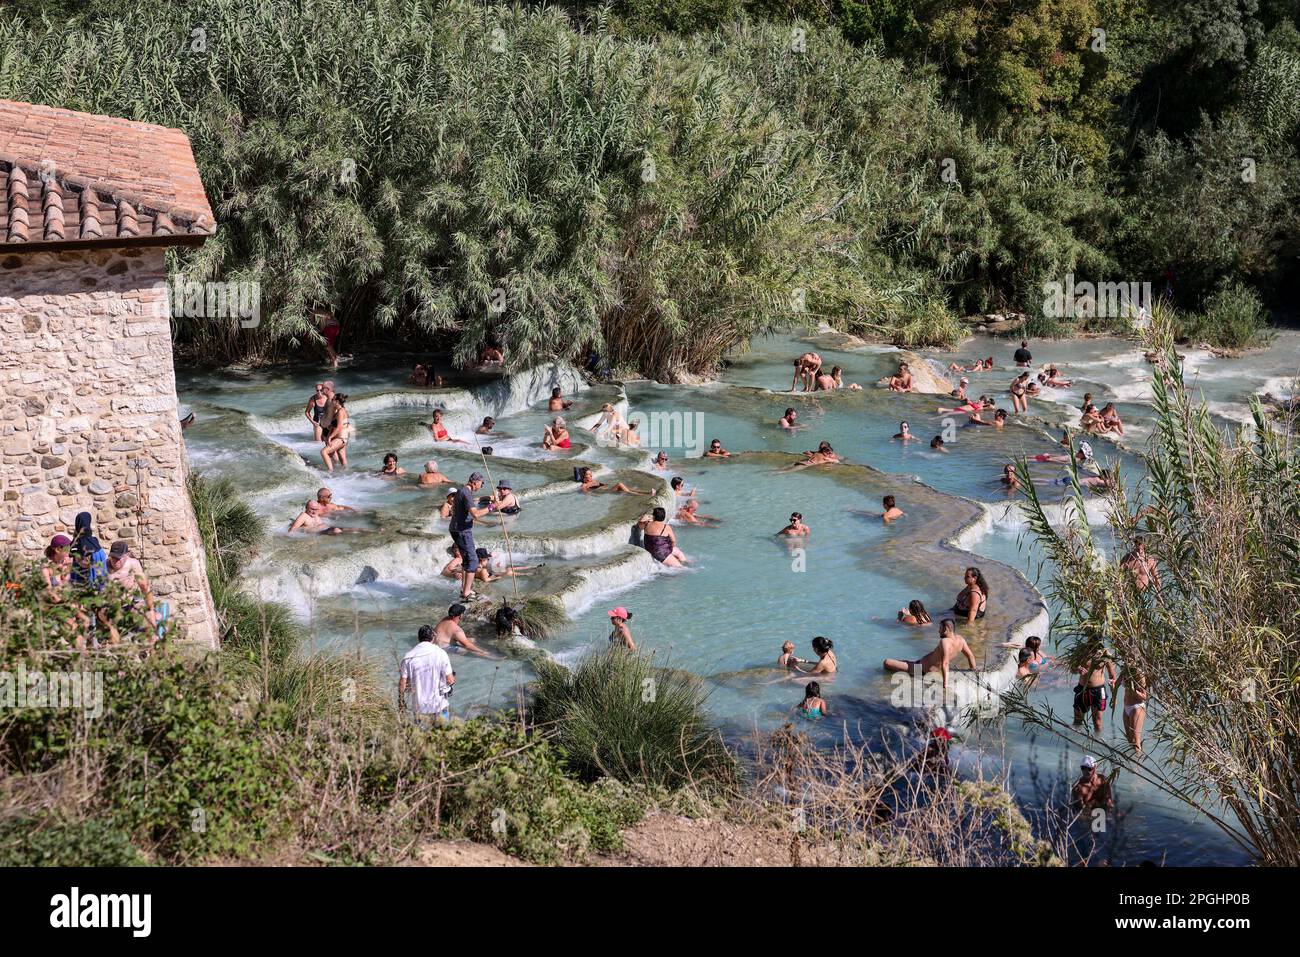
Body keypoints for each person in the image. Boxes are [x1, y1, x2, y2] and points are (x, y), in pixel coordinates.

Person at [882, 618, 977, 692]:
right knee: (904, 662)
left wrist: (945, 685)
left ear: (946, 629)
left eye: (940, 628)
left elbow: (945, 663)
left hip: (920, 670)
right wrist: (973, 671)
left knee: (887, 662)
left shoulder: (945, 642)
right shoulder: (961, 640)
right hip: (934, 671)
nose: (938, 631)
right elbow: (970, 656)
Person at [450, 472, 497, 602]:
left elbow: (459, 511)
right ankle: (466, 593)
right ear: (475, 482)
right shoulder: (467, 494)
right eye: (481, 485)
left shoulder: (460, 491)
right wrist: (492, 507)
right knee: (473, 561)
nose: (480, 487)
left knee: (466, 561)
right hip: (462, 531)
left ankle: (464, 590)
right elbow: (475, 514)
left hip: (455, 528)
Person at [399, 624, 457, 721]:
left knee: (419, 735)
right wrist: (453, 679)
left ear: (418, 638)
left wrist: (401, 702)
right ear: (433, 638)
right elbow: (450, 680)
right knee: (443, 734)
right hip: (439, 704)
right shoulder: (441, 653)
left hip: (418, 706)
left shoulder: (408, 657)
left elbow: (402, 684)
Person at [1073, 649, 1117, 733]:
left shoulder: (1106, 655)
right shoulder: (1082, 650)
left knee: (1097, 722)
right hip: (1082, 689)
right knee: (1078, 720)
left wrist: (1114, 697)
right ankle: (1076, 740)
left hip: (1099, 691)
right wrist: (1078, 669)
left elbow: (1113, 677)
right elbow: (1072, 669)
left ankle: (1097, 742)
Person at [1120, 668, 1149, 754]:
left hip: (1136, 708)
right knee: (1129, 739)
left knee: (1136, 741)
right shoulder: (1125, 671)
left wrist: (1133, 690)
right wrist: (1112, 685)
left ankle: (1138, 764)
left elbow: (1145, 697)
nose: (1127, 661)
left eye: (1129, 659)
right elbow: (1116, 683)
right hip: (1126, 707)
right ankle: (1132, 762)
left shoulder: (1140, 674)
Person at [320, 393, 352, 471]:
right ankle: (347, 476)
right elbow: (336, 425)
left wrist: (330, 437)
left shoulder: (341, 411)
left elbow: (339, 427)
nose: (331, 401)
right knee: (343, 462)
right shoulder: (339, 411)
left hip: (341, 438)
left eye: (333, 399)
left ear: (337, 401)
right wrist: (327, 435)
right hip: (342, 438)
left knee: (324, 452)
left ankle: (330, 472)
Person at [577, 466, 647, 495]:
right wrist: (594, 495)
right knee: (620, 484)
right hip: (607, 491)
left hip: (609, 488)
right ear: (584, 476)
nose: (591, 476)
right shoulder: (585, 485)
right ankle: (640, 495)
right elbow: (586, 493)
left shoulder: (593, 481)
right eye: (589, 474)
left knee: (627, 488)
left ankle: (647, 492)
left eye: (591, 474)